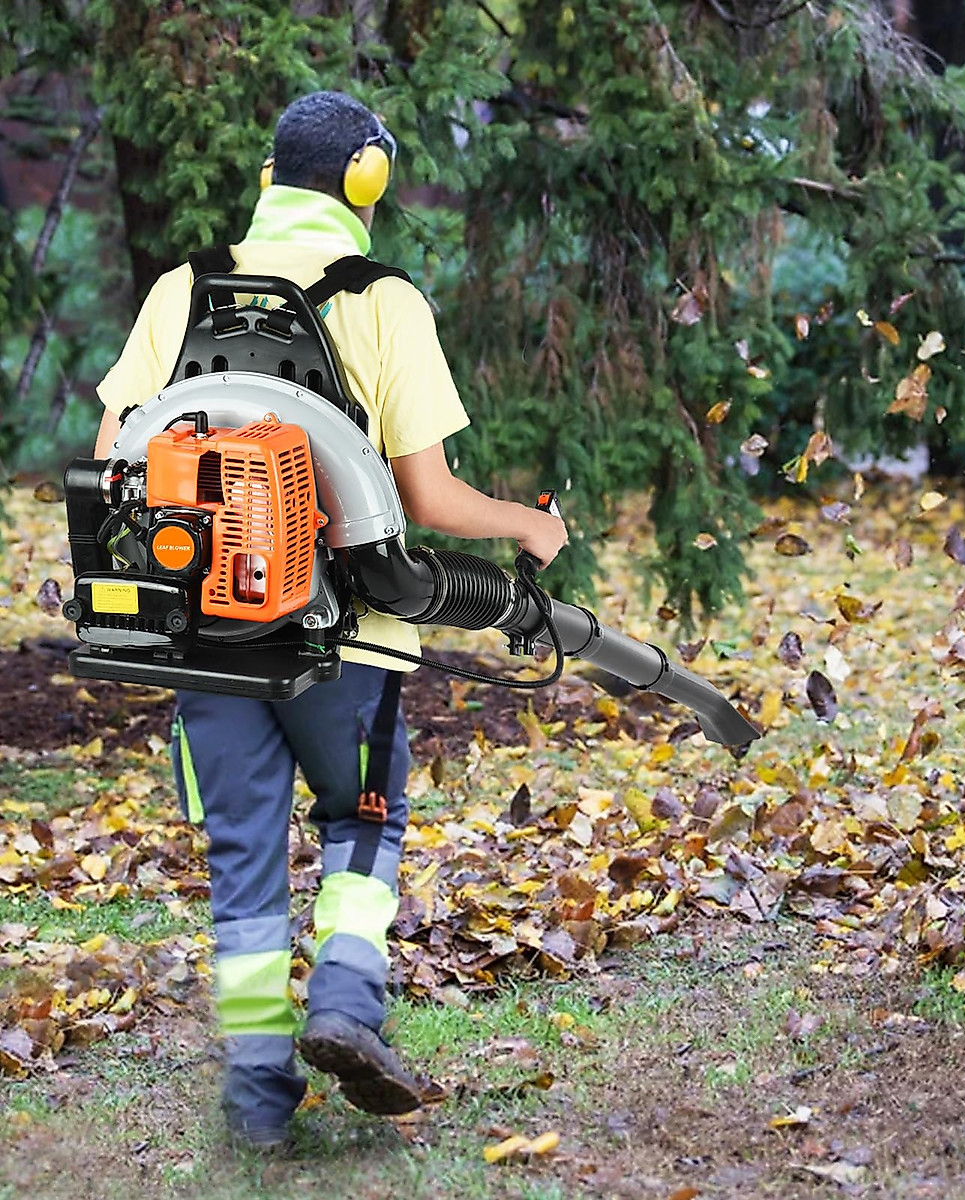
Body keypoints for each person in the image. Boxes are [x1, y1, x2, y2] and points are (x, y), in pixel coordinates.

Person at [92, 90, 568, 1148]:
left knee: (243, 859)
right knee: (362, 820)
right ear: (369, 180)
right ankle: (348, 1008)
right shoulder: (383, 300)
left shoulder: (184, 288)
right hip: (346, 641)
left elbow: (119, 441)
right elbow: (432, 501)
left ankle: (259, 1104)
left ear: (268, 181)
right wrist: (528, 535)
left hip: (203, 636)